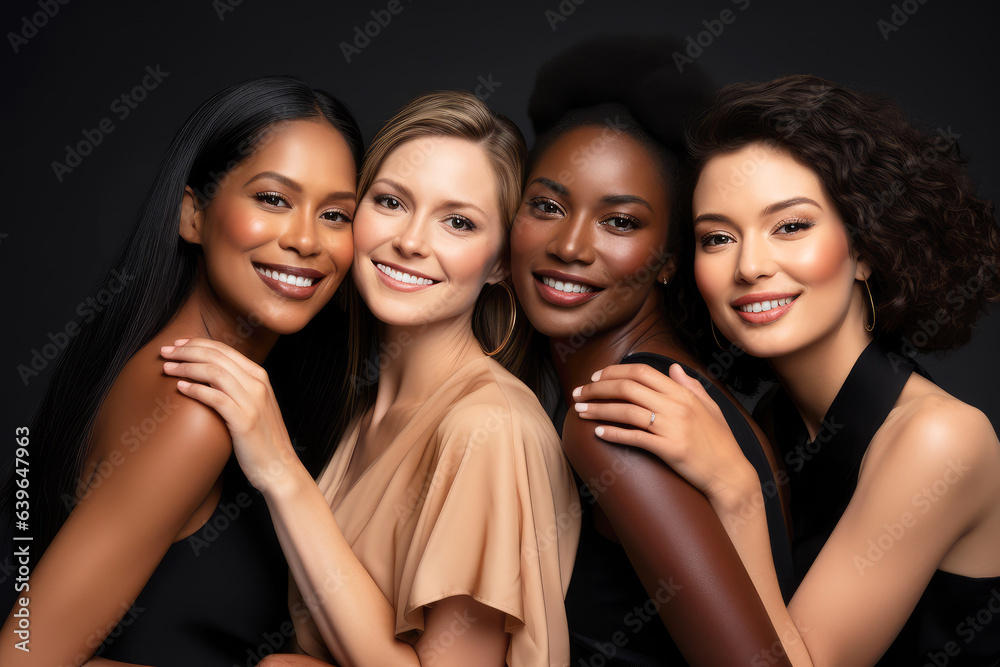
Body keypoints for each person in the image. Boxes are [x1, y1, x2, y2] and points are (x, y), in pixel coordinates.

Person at [575, 75, 1000, 665]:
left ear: (866, 249)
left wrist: (737, 491)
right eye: (717, 237)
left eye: (791, 226)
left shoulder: (940, 439)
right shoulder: (775, 422)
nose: (750, 265)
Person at [160, 90, 579, 667]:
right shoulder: (361, 406)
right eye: (391, 202)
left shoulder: (490, 429)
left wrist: (282, 473)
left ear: (502, 261)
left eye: (458, 222)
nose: (410, 241)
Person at [0, 76, 364, 667]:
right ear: (192, 214)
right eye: (273, 199)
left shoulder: (202, 381)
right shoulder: (193, 406)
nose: (305, 240)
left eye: (335, 214)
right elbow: (22, 657)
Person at [508, 37, 795, 665]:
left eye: (620, 222)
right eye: (548, 206)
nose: (572, 246)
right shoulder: (668, 381)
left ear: (669, 259)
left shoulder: (620, 412)